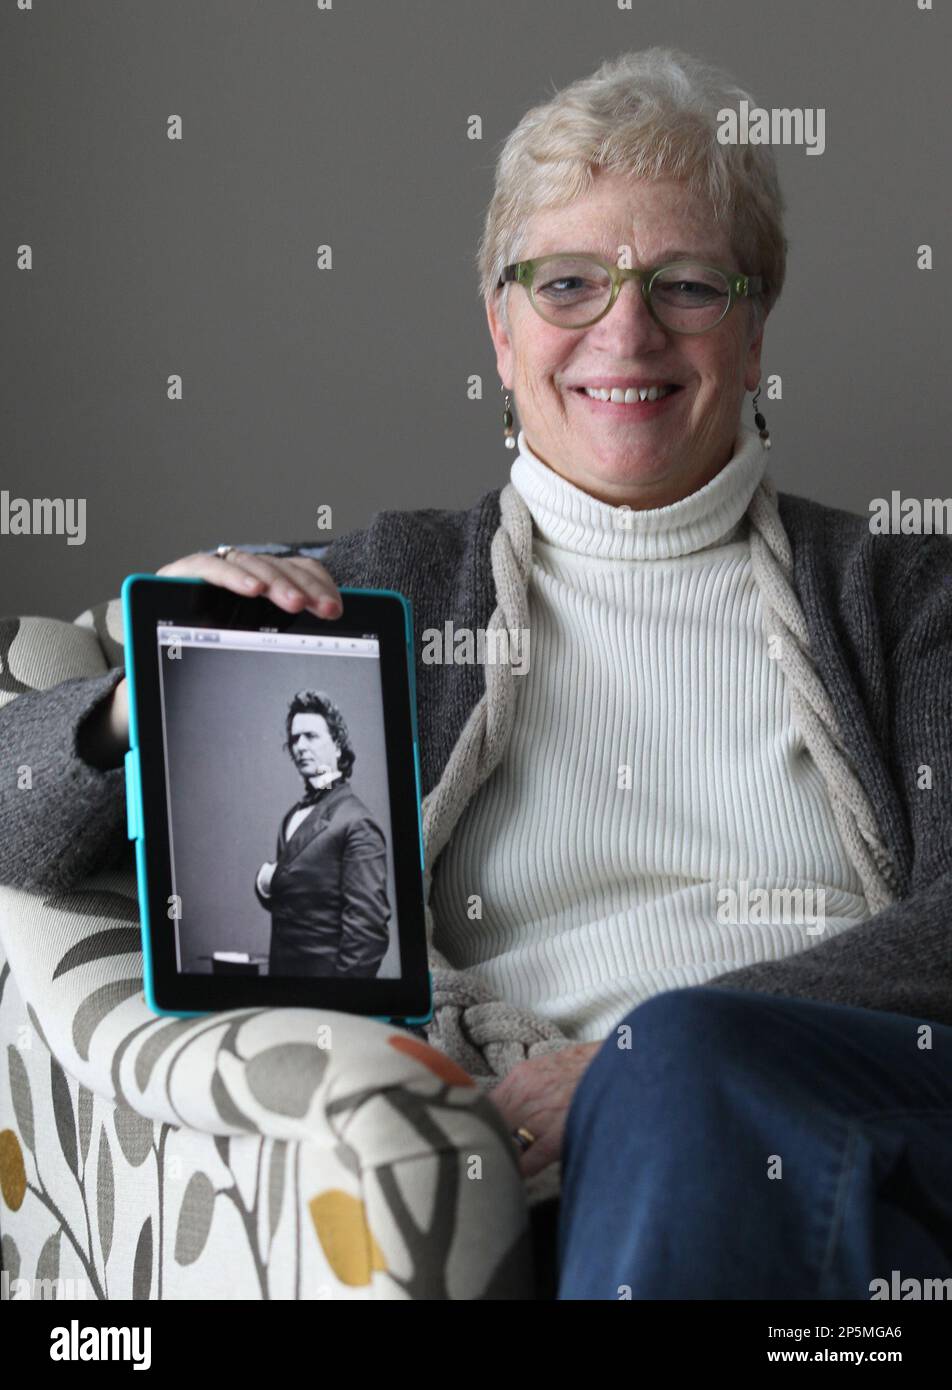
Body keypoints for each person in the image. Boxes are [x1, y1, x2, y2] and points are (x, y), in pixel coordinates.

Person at [2, 46, 951, 1300]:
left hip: (849, 1136)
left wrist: (633, 1054)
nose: (625, 328)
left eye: (684, 285)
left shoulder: (902, 594)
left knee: (681, 1067)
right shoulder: (381, 587)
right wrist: (141, 703)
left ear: (754, 324)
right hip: (524, 1157)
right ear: (500, 333)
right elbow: (15, 815)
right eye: (567, 284)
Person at [254, 689, 391, 979]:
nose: (300, 746)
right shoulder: (292, 816)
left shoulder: (357, 822)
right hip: (282, 987)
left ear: (338, 746)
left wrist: (337, 1001)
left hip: (324, 996)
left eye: (311, 736)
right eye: (294, 739)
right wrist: (264, 884)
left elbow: (369, 931)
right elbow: (301, 900)